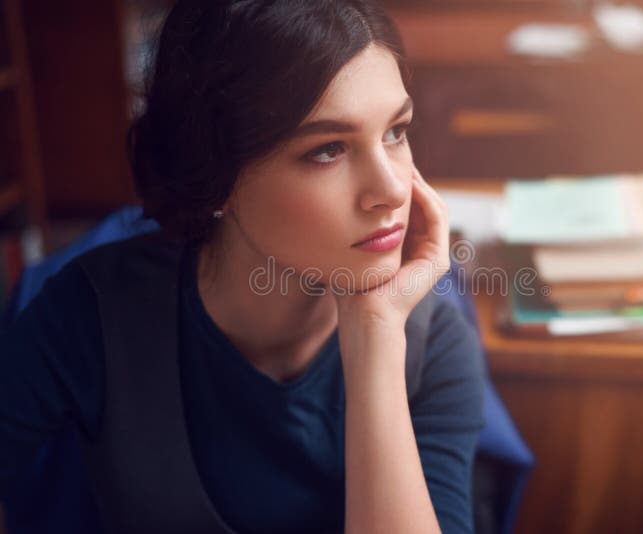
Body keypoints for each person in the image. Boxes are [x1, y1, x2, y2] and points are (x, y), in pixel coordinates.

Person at [0, 1, 485, 533]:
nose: (391, 189)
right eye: (328, 149)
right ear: (216, 175)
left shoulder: (436, 344)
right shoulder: (89, 316)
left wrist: (374, 335)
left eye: (396, 131)